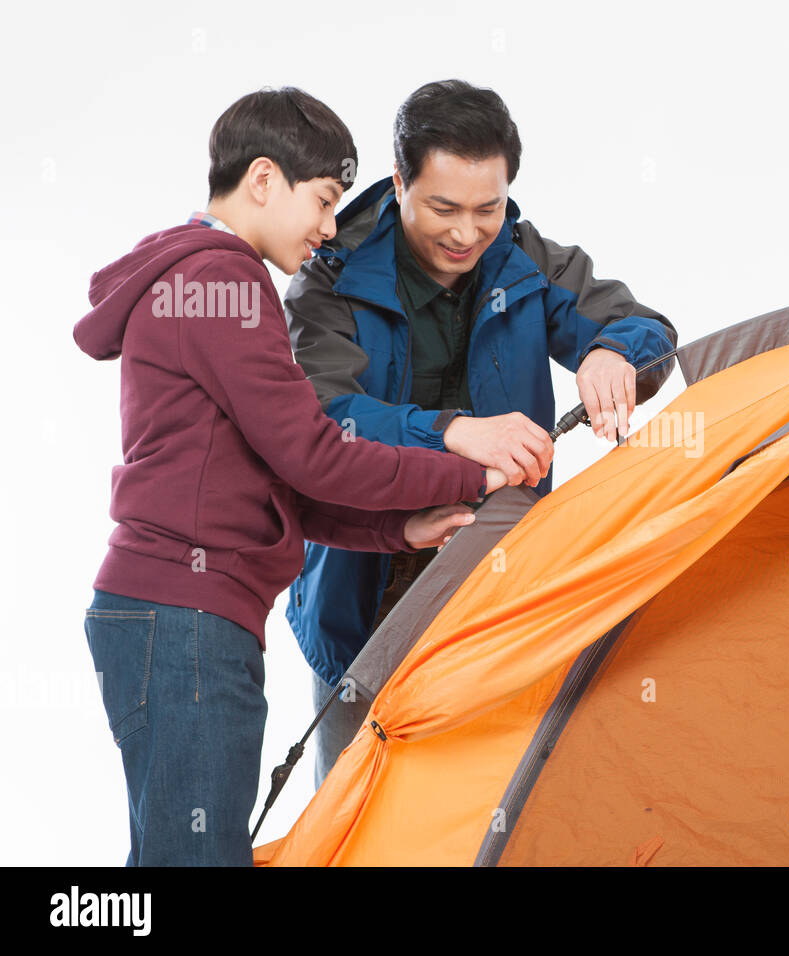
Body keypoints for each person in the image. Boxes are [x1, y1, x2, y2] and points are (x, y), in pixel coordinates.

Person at [73, 87, 516, 866]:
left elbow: (275, 477)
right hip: (184, 618)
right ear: (265, 180)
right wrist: (469, 474)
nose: (328, 226)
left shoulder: (201, 277)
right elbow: (311, 451)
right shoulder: (225, 282)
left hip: (171, 613)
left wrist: (395, 527)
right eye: (323, 200)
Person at [285, 80, 678, 786]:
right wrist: (454, 431)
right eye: (443, 208)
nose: (466, 233)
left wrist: (613, 352)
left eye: (486, 208)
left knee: (487, 803)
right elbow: (322, 417)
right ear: (400, 180)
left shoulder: (525, 258)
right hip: (361, 593)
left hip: (499, 589)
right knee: (349, 807)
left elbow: (646, 327)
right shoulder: (328, 278)